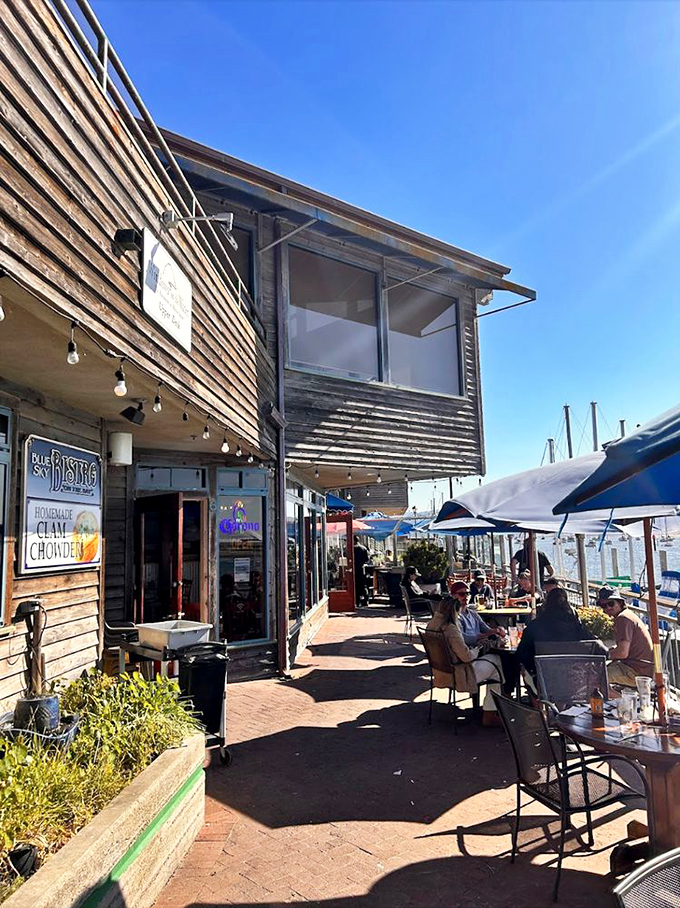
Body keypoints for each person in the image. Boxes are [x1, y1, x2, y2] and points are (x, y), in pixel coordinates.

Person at [426, 588, 504, 726]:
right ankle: (490, 712)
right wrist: (478, 648)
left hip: (441, 672)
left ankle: (487, 708)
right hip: (459, 674)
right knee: (497, 663)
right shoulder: (451, 629)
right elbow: (466, 657)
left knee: (491, 662)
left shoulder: (431, 625)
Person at [516, 586, 607, 677]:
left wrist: (533, 671)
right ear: (567, 605)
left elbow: (521, 654)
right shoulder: (576, 628)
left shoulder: (534, 627)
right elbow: (600, 649)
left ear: (546, 604)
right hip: (576, 680)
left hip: (544, 681)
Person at [601, 593, 654, 686]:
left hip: (637, 673)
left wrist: (603, 655)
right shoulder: (628, 615)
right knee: (602, 669)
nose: (607, 608)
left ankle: (618, 698)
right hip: (642, 668)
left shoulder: (623, 619)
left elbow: (622, 653)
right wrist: (610, 650)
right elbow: (626, 647)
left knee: (595, 676)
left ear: (620, 603)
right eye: (603, 605)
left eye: (611, 604)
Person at [452, 579, 506, 647]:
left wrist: (499, 630)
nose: (466, 596)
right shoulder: (454, 616)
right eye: (462, 594)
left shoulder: (473, 614)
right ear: (453, 596)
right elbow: (464, 639)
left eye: (468, 593)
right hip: (471, 650)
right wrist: (485, 635)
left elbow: (486, 629)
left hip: (481, 646)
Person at [353, 536, 370, 607]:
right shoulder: (363, 548)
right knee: (363, 585)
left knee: (355, 586)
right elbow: (367, 559)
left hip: (354, 569)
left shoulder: (352, 549)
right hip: (362, 569)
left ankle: (357, 601)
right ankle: (366, 600)